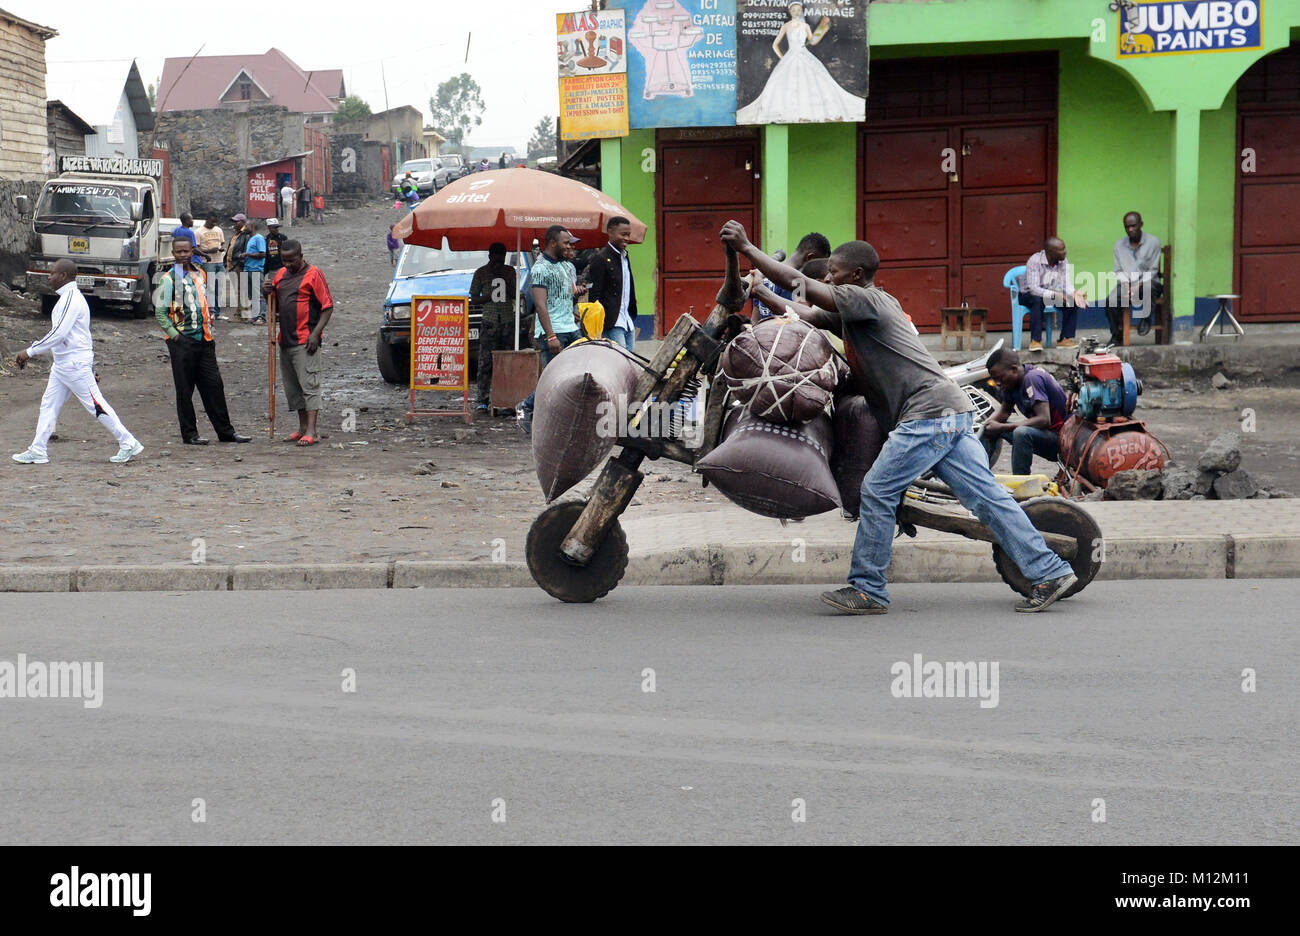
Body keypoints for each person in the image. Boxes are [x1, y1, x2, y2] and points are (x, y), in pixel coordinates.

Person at [726, 219, 1077, 614]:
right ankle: (1050, 570)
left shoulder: (867, 300)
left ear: (856, 276)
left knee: (877, 490)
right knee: (988, 499)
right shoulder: (860, 309)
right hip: (948, 411)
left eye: (835, 274)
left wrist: (747, 248)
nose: (830, 278)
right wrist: (759, 291)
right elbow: (802, 312)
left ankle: (868, 589)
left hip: (927, 414)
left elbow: (798, 283)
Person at [11, 259, 144, 465]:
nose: (49, 276)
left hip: (74, 364)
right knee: (49, 404)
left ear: (63, 276)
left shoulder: (70, 299)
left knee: (95, 405)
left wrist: (30, 351)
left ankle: (128, 442)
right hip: (65, 364)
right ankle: (38, 449)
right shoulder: (68, 298)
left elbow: (58, 333)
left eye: (52, 273)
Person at [155, 239, 250, 446]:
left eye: (186, 251)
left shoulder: (201, 274)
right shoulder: (168, 279)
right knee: (185, 390)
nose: (183, 255)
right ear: (173, 253)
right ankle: (190, 435)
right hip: (182, 342)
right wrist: (176, 336)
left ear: (192, 252)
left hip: (206, 340)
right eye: (178, 252)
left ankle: (226, 432)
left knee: (214, 387)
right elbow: (160, 313)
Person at [736, 2, 865, 125]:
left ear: (801, 11)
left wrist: (824, 27)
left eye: (798, 10)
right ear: (790, 12)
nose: (796, 12)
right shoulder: (786, 26)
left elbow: (813, 41)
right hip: (791, 56)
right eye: (794, 10)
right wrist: (782, 57)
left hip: (804, 54)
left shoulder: (805, 26)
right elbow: (775, 45)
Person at [263, 240, 333, 446]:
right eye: (284, 260)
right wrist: (266, 290)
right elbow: (273, 302)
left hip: (306, 341)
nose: (287, 264)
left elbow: (327, 307)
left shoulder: (314, 274)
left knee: (309, 386)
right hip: (285, 340)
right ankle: (302, 427)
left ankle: (312, 430)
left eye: (292, 260)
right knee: (293, 388)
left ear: (301, 256)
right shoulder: (280, 275)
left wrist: (315, 334)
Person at [515, 225, 583, 435]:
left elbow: (568, 296)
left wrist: (578, 296)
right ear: (552, 243)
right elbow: (541, 305)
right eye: (566, 243)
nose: (569, 247)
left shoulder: (568, 267)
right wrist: (551, 335)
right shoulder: (540, 268)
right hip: (552, 332)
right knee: (553, 379)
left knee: (576, 375)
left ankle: (566, 418)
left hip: (572, 328)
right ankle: (525, 406)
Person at [981, 347, 1068, 475]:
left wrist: (1002, 427)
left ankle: (1020, 483)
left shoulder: (1032, 379)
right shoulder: (1010, 383)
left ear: (1014, 369)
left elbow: (1044, 420)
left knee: (1021, 433)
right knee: (989, 429)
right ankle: (979, 475)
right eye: (994, 379)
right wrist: (984, 426)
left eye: (1000, 378)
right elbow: (1004, 411)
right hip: (1044, 435)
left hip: (1061, 440)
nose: (997, 383)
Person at [469, 242, 518, 412]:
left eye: (502, 257)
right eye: (496, 257)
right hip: (489, 320)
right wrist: (488, 297)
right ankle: (482, 399)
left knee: (507, 360)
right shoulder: (481, 273)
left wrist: (507, 285)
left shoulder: (510, 272)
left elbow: (517, 295)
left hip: (507, 320)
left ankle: (506, 398)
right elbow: (473, 298)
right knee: (485, 362)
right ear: (490, 256)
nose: (499, 261)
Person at [583, 216, 639, 351]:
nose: (626, 238)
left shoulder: (625, 256)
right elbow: (595, 296)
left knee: (631, 362)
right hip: (611, 323)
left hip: (627, 321)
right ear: (610, 232)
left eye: (628, 235)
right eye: (623, 234)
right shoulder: (600, 258)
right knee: (620, 361)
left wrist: (631, 313)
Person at [1105, 211, 1162, 342]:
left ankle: (1146, 318)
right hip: (1127, 284)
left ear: (1141, 224)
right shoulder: (1119, 245)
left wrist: (1138, 285)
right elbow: (1118, 270)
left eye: (1133, 226)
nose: (1130, 230)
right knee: (1111, 300)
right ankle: (1116, 335)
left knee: (1149, 287)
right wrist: (1126, 284)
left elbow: (1153, 270)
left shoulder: (1153, 242)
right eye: (1127, 227)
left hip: (1149, 282)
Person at [1020, 237, 1085, 351]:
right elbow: (1034, 288)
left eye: (1064, 248)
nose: (1065, 251)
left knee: (1072, 301)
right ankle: (1035, 341)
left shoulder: (1063, 261)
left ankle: (1064, 339)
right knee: (1037, 300)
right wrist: (1055, 295)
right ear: (1050, 252)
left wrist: (1074, 294)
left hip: (1049, 293)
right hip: (1028, 294)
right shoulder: (1035, 261)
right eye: (1061, 250)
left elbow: (1066, 284)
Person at [753, 231, 831, 320]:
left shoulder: (762, 277)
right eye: (819, 264)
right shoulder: (799, 282)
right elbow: (802, 318)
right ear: (810, 257)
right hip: (788, 332)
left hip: (763, 332)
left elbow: (754, 320)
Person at [195, 214, 226, 319]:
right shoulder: (199, 232)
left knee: (219, 288)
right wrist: (209, 251)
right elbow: (196, 249)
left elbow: (223, 243)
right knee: (210, 287)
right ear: (207, 219)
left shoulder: (218, 230)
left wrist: (221, 248)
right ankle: (211, 311)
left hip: (219, 261)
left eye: (215, 222)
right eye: (212, 222)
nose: (214, 224)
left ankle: (217, 312)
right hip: (208, 263)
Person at [225, 214, 251, 320]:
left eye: (237, 222)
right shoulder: (236, 234)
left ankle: (243, 315)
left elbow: (245, 252)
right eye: (234, 222)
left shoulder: (246, 235)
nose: (234, 224)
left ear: (243, 222)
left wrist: (238, 261)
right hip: (232, 265)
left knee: (242, 290)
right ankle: (239, 313)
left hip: (238, 266)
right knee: (238, 290)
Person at [242, 220, 268, 324]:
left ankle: (262, 316)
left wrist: (247, 255)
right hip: (248, 269)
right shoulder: (250, 238)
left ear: (252, 227)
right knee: (251, 294)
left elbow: (263, 254)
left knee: (259, 294)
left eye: (246, 226)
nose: (245, 228)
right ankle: (255, 315)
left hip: (256, 270)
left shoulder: (259, 238)